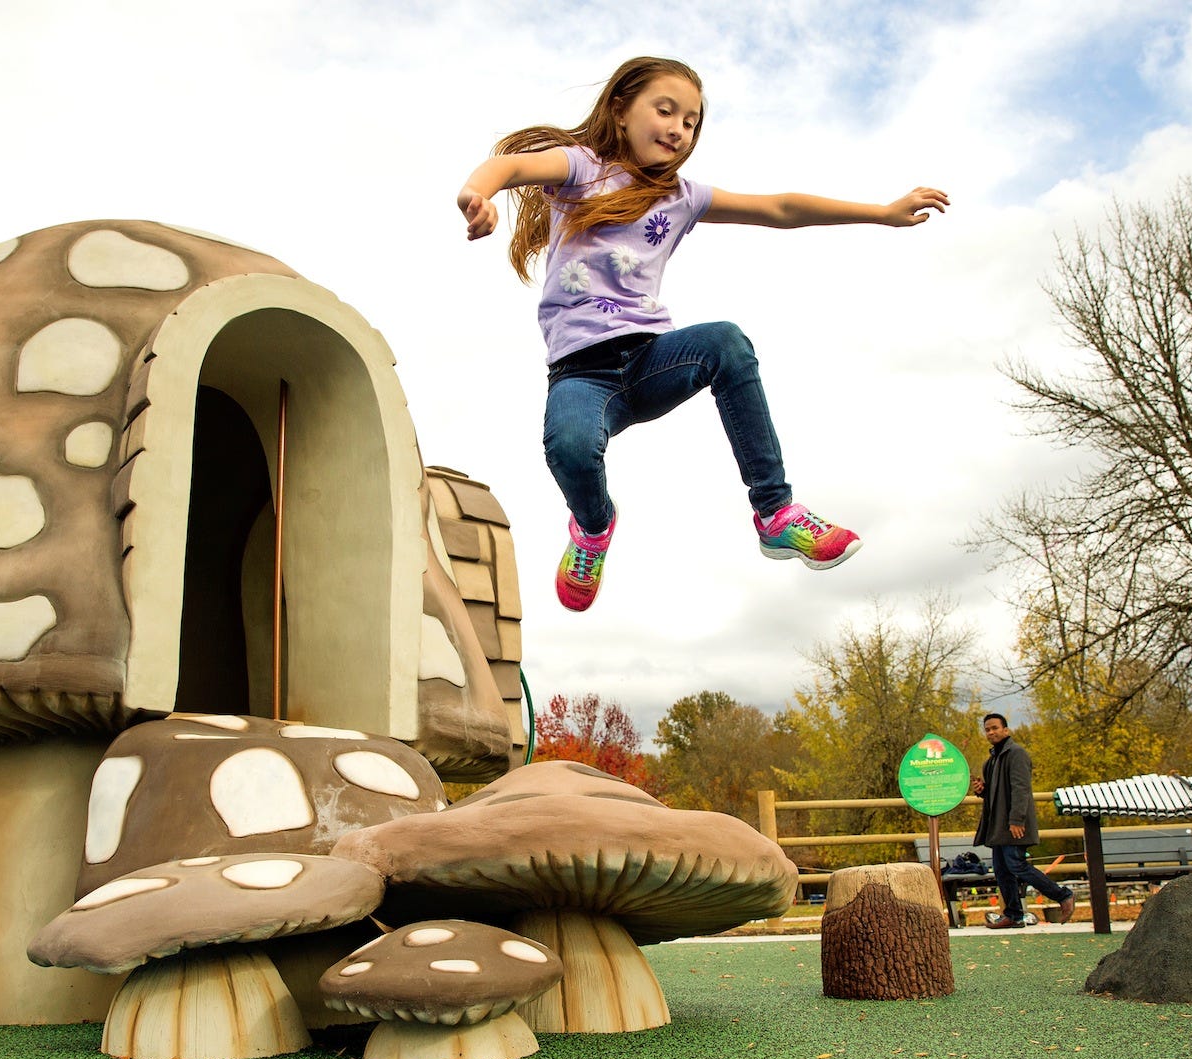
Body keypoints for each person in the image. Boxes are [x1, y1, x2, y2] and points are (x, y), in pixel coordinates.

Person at [456, 56, 948, 612]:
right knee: (569, 447)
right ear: (621, 110)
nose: (678, 129)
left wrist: (881, 213)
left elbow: (779, 208)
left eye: (690, 122)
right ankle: (592, 529)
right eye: (665, 111)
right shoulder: (579, 167)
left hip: (651, 361)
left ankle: (775, 512)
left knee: (726, 342)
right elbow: (511, 168)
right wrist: (478, 196)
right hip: (581, 375)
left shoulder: (682, 197)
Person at [973, 712, 1075, 929]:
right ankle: (1013, 914)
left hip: (1013, 824)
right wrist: (982, 791)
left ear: (1006, 730)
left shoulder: (1017, 754)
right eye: (987, 729)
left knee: (1017, 865)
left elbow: (1021, 789)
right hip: (998, 826)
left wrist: (1017, 819)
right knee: (1001, 870)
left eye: (995, 728)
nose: (991, 732)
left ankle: (1063, 896)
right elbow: (996, 793)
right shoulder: (991, 761)